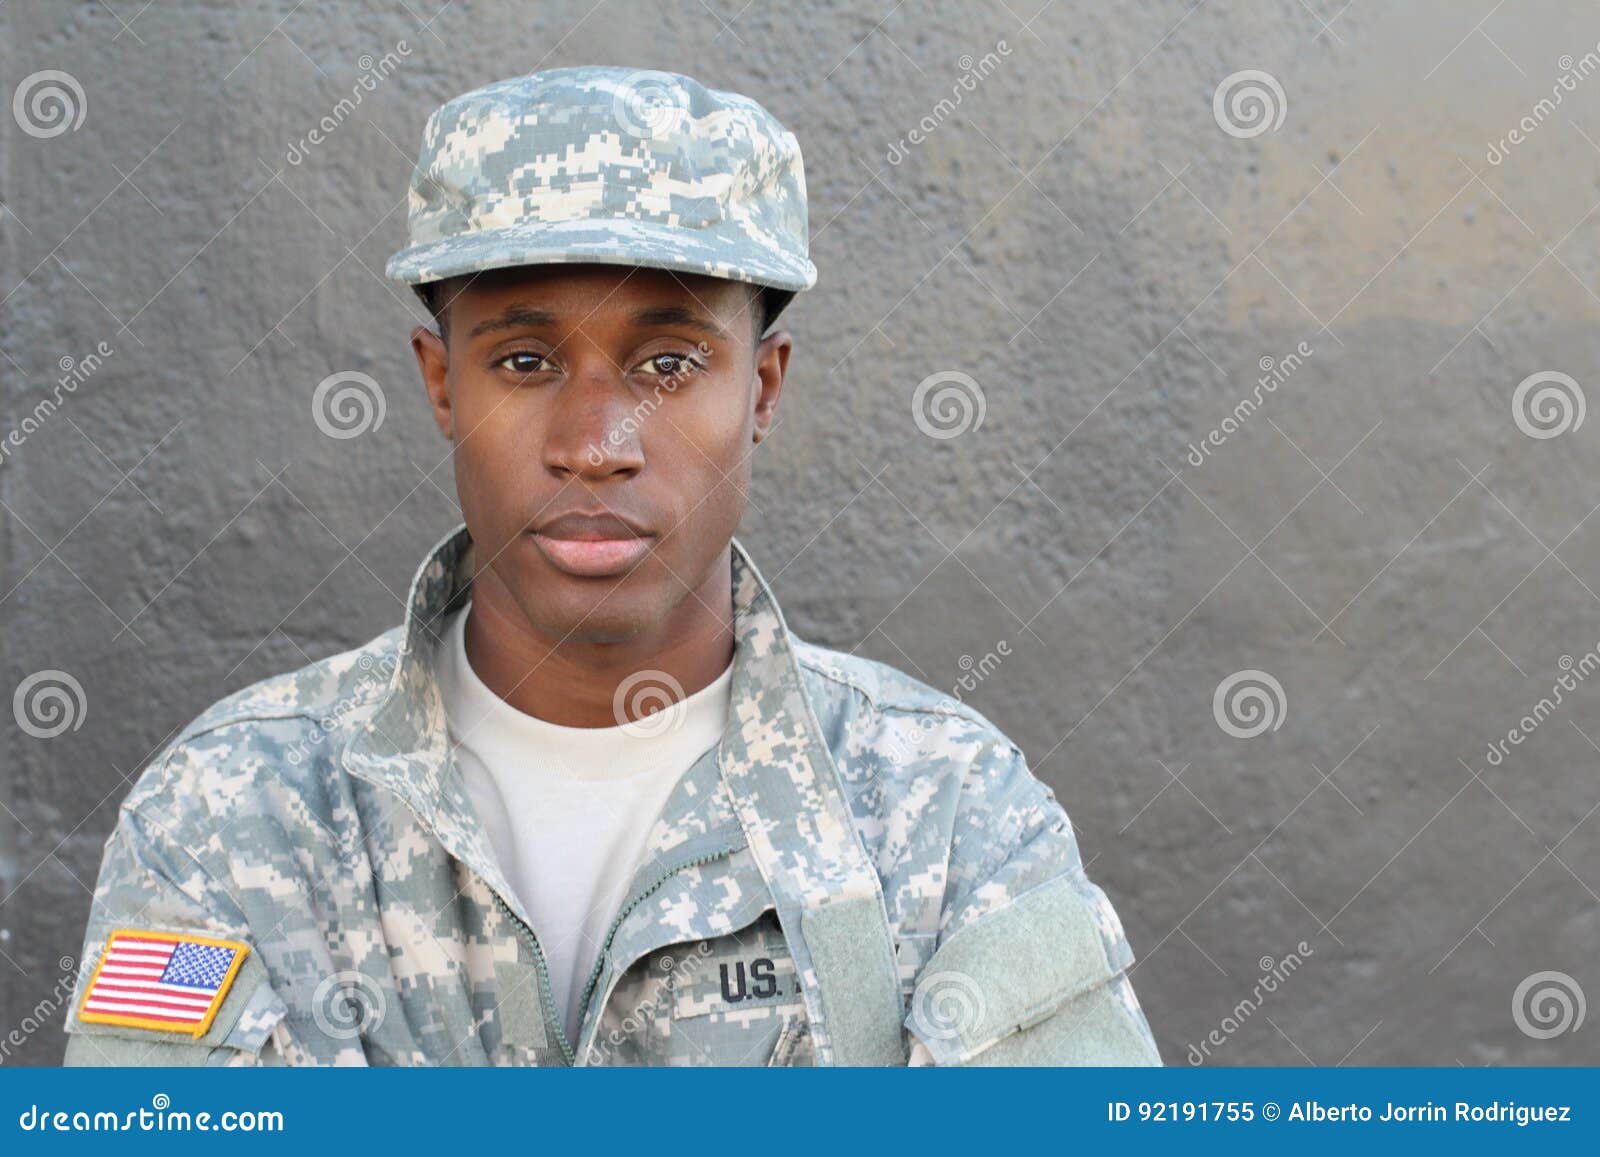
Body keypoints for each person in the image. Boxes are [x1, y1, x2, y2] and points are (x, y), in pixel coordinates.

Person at [62, 67, 1160, 1066]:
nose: (595, 439)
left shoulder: (946, 812)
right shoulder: (234, 812)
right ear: (442, 384)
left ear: (764, 390)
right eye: (525, 360)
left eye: (669, 362)